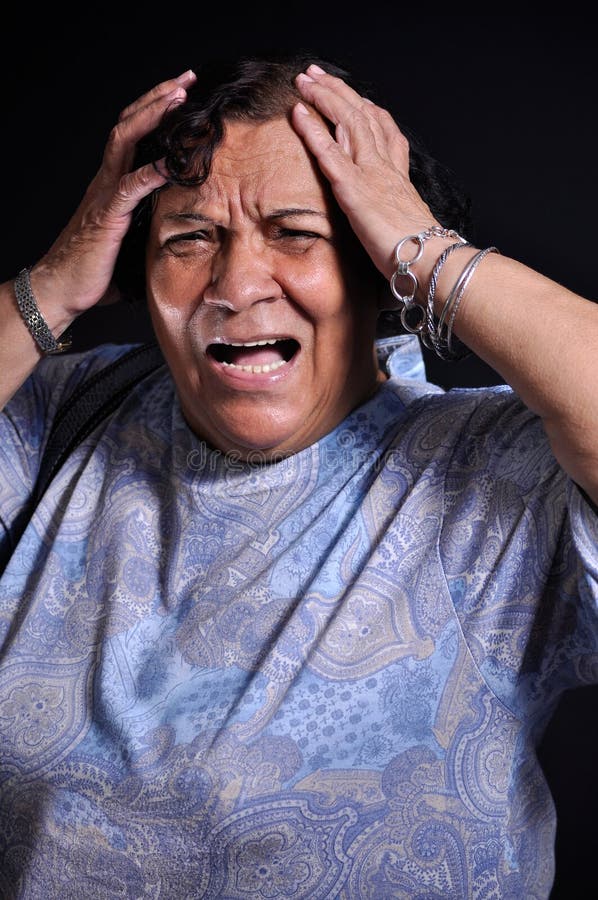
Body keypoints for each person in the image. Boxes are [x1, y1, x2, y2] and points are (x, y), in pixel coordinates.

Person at [0, 52, 596, 899]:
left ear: (374, 265)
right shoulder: (65, 415)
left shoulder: (484, 475)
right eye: (191, 238)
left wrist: (424, 245)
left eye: (296, 232)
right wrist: (52, 287)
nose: (237, 286)